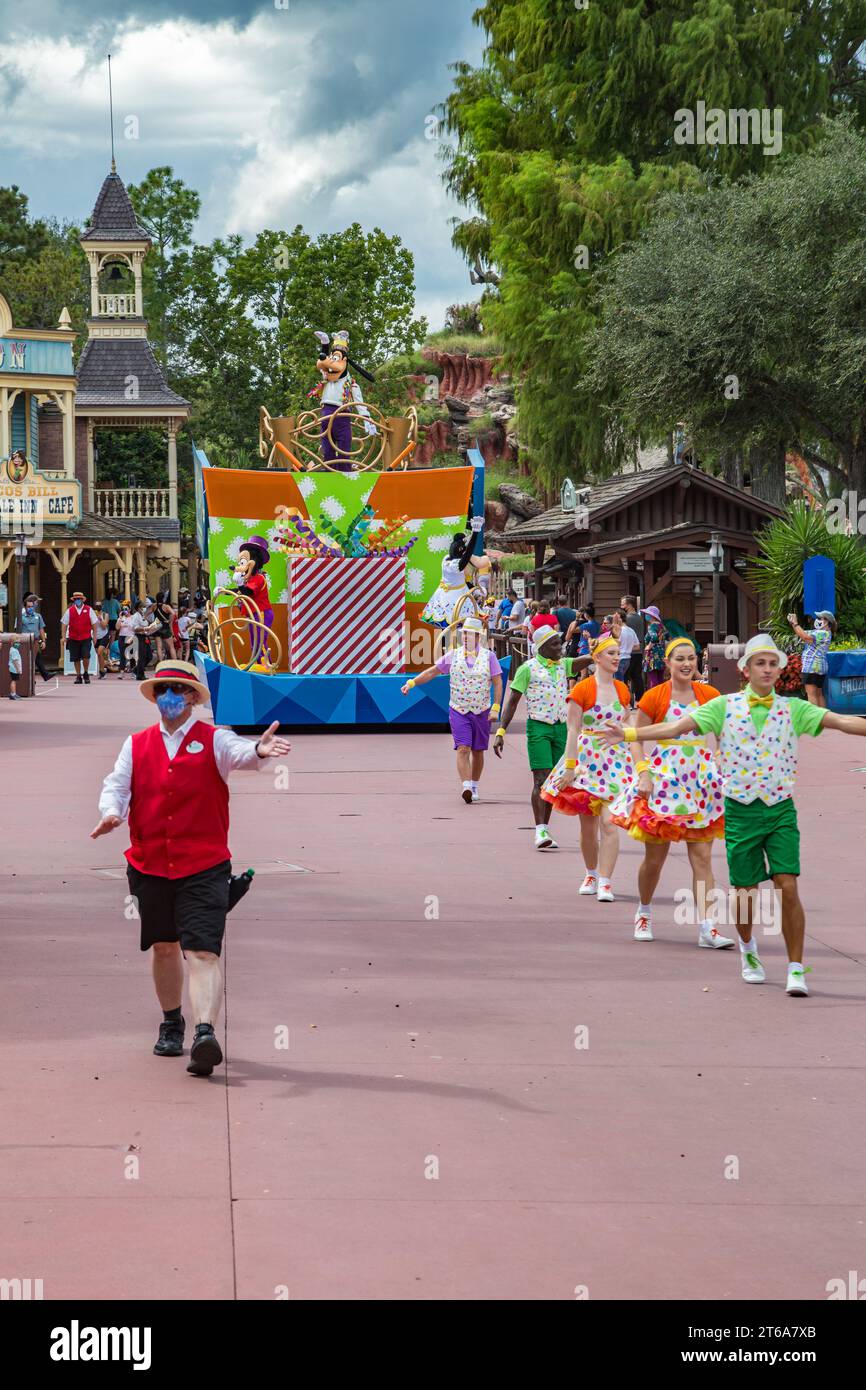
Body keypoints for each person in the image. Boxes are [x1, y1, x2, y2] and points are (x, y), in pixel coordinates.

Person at [599, 633, 866, 996]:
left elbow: (842, 722)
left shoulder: (795, 708)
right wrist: (631, 733)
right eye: (760, 663)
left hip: (778, 809)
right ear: (746, 670)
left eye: (773, 663)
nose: (768, 669)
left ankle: (795, 967)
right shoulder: (723, 706)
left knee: (787, 884)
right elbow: (676, 728)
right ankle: (747, 948)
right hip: (735, 807)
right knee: (744, 892)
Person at [91, 660, 291, 1074]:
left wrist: (258, 751)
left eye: (179, 690)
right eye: (163, 688)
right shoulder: (137, 743)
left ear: (193, 698)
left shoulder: (214, 739)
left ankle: (204, 1033)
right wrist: (112, 813)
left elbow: (240, 753)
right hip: (149, 863)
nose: (169, 696)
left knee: (201, 949)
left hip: (204, 865)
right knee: (164, 945)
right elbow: (117, 784)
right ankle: (171, 1023)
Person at [609, 637, 734, 948]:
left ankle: (707, 927)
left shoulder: (710, 695)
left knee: (703, 857)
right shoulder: (654, 697)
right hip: (666, 780)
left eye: (691, 658)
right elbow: (636, 738)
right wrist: (643, 773)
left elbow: (723, 733)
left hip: (701, 781)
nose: (687, 664)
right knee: (655, 857)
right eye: (680, 659)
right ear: (667, 663)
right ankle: (644, 911)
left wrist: (721, 755)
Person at [542, 635, 634, 898]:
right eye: (611, 653)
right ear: (597, 658)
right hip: (588, 761)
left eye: (618, 653)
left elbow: (626, 721)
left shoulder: (623, 689)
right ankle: (591, 873)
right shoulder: (582, 690)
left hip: (616, 761)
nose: (617, 658)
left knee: (610, 823)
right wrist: (570, 767)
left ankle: (605, 881)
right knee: (588, 825)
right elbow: (572, 730)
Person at [493, 624, 591, 849]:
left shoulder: (562, 666)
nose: (560, 647)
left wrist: (602, 648)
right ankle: (540, 831)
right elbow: (512, 702)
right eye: (555, 644)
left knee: (554, 782)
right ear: (542, 647)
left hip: (561, 728)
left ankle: (545, 829)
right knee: (541, 779)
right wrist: (501, 731)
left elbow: (583, 660)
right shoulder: (527, 669)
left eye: (560, 642)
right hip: (538, 727)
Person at [401, 616, 503, 803]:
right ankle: (465, 786)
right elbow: (432, 671)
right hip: (459, 709)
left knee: (478, 751)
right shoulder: (453, 655)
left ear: (478, 636)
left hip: (481, 710)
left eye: (469, 634)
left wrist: (496, 708)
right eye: (463, 634)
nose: (465, 637)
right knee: (463, 748)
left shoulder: (489, 657)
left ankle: (474, 784)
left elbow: (497, 683)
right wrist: (412, 682)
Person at [788, 609, 835, 707]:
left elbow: (806, 637)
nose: (817, 620)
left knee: (811, 694)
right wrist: (793, 623)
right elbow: (801, 633)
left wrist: (796, 623)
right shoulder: (821, 632)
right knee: (818, 694)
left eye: (820, 618)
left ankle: (814, 720)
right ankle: (823, 720)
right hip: (818, 667)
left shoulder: (823, 633)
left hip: (812, 666)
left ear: (827, 622)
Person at [61, 591, 98, 684]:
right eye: (76, 599)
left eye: (79, 599)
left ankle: (86, 672)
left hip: (86, 637)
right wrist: (64, 636)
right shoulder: (69, 610)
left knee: (86, 656)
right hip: (73, 637)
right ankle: (78, 676)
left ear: (82, 600)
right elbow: (64, 624)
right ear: (74, 600)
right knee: (75, 658)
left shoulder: (89, 609)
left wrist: (94, 636)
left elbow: (94, 624)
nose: (78, 600)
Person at [18, 593, 51, 682]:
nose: (30, 608)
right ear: (25, 607)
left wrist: (43, 641)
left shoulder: (38, 616)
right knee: (26, 660)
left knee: (33, 660)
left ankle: (32, 679)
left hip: (35, 641)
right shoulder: (21, 617)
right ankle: (30, 678)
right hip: (24, 642)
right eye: (28, 607)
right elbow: (17, 630)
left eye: (32, 606)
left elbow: (41, 629)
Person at [620, 595, 645, 702]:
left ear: (629, 605)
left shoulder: (627, 619)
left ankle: (626, 699)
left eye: (623, 603)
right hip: (639, 651)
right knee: (637, 676)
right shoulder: (640, 617)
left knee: (624, 677)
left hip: (629, 652)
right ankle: (640, 699)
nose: (621, 605)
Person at [641, 605, 668, 690]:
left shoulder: (652, 626)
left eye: (647, 614)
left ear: (652, 616)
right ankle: (662, 696)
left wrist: (649, 646)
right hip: (661, 654)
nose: (646, 616)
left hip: (653, 655)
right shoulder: (662, 626)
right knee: (660, 679)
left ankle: (654, 698)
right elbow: (667, 637)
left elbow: (654, 637)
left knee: (653, 679)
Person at [615, 607, 639, 684]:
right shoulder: (631, 630)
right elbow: (637, 646)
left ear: (619, 618)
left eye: (615, 618)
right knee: (623, 681)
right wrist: (627, 649)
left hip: (620, 658)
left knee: (619, 682)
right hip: (628, 659)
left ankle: (623, 695)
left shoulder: (619, 631)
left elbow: (616, 645)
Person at [151, 592, 176, 662]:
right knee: (171, 647)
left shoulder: (154, 606)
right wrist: (169, 621)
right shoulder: (166, 606)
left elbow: (146, 614)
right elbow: (173, 613)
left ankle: (161, 663)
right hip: (165, 627)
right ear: (163, 598)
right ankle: (176, 663)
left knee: (159, 647)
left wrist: (151, 622)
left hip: (157, 626)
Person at [93, 603, 111, 679]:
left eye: (99, 605)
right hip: (96, 636)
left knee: (100, 652)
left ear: (102, 606)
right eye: (96, 605)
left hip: (104, 635)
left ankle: (102, 670)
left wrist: (100, 618)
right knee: (99, 654)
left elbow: (104, 626)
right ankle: (102, 671)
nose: (98, 607)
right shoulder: (92, 614)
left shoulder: (105, 615)